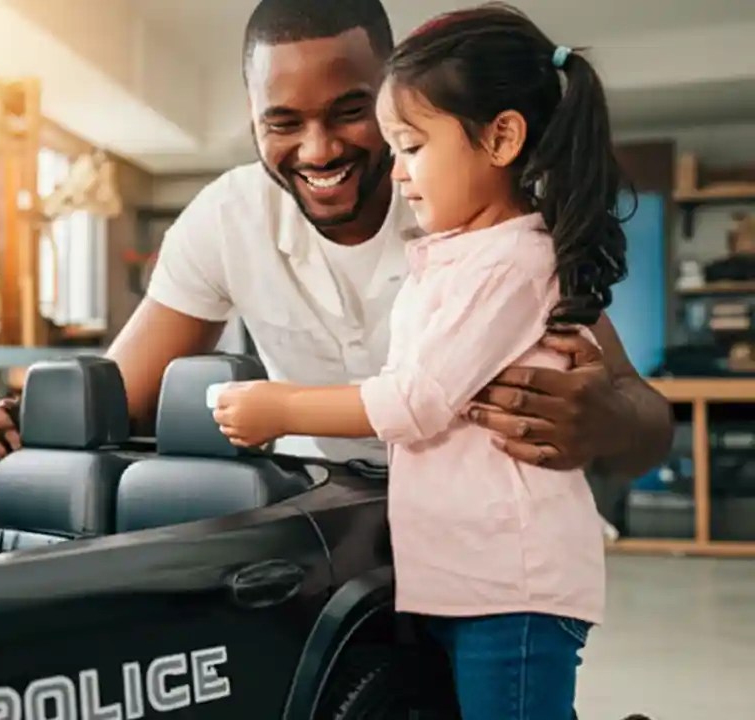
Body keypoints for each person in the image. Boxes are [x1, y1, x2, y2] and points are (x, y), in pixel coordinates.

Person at [0, 0, 670, 492]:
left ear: (396, 97)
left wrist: (609, 421)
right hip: (324, 521)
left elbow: (646, 421)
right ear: (251, 119)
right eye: (283, 121)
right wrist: (30, 427)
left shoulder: (488, 217)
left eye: (351, 111)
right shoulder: (227, 218)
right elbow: (123, 393)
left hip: (480, 529)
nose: (319, 149)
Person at [209, 4, 623, 718]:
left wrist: (283, 406)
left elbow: (413, 402)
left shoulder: (514, 262)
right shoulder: (459, 257)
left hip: (510, 587)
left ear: (500, 138)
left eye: (411, 146)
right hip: (463, 578)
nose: (397, 173)